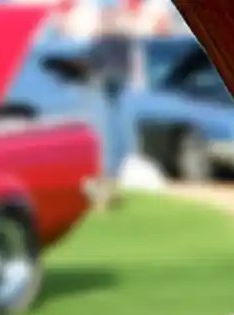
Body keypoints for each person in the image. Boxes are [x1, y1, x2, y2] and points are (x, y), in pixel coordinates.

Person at [89, 0, 135, 207]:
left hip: (107, 87)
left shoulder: (104, 39)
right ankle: (109, 184)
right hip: (114, 87)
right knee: (113, 134)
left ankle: (108, 184)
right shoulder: (120, 38)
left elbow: (92, 64)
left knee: (108, 134)